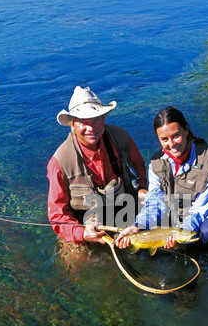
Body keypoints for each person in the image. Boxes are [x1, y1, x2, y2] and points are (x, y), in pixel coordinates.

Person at [115, 106, 208, 251]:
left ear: (186, 129)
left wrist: (180, 234)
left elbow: (201, 210)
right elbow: (154, 203)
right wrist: (138, 226)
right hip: (178, 221)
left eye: (176, 136)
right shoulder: (155, 163)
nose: (171, 144)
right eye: (164, 139)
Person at [47, 86, 147, 246]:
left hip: (123, 209)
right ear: (72, 125)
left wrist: (142, 187)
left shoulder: (120, 137)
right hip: (83, 225)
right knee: (81, 263)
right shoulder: (59, 163)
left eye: (96, 119)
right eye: (83, 122)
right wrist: (82, 233)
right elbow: (57, 215)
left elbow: (138, 164)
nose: (91, 128)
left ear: (104, 119)